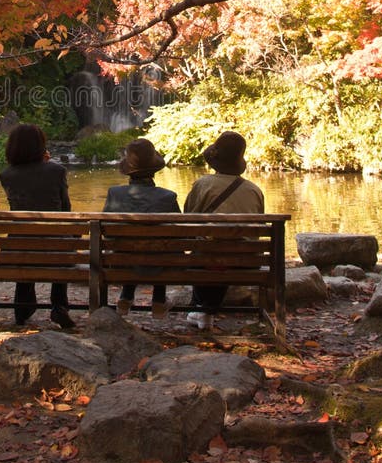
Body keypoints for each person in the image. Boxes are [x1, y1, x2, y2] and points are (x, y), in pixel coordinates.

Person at [183, 130, 264, 330]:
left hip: (206, 258)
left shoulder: (203, 184)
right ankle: (204, 310)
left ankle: (202, 309)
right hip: (246, 261)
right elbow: (258, 229)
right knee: (224, 249)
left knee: (206, 247)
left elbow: (188, 219)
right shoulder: (255, 190)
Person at [0, 123, 75, 329]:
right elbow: (66, 211)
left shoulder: (6, 175)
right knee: (62, 237)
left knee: (26, 238)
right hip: (56, 249)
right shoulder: (56, 170)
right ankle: (59, 306)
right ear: (40, 146)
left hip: (19, 247)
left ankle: (22, 307)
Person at [103, 138, 180, 318]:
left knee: (130, 246)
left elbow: (107, 230)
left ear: (128, 171)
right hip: (161, 263)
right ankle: (159, 301)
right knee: (159, 246)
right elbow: (179, 235)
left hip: (123, 260)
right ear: (153, 170)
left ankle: (126, 296)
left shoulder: (115, 194)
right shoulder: (167, 197)